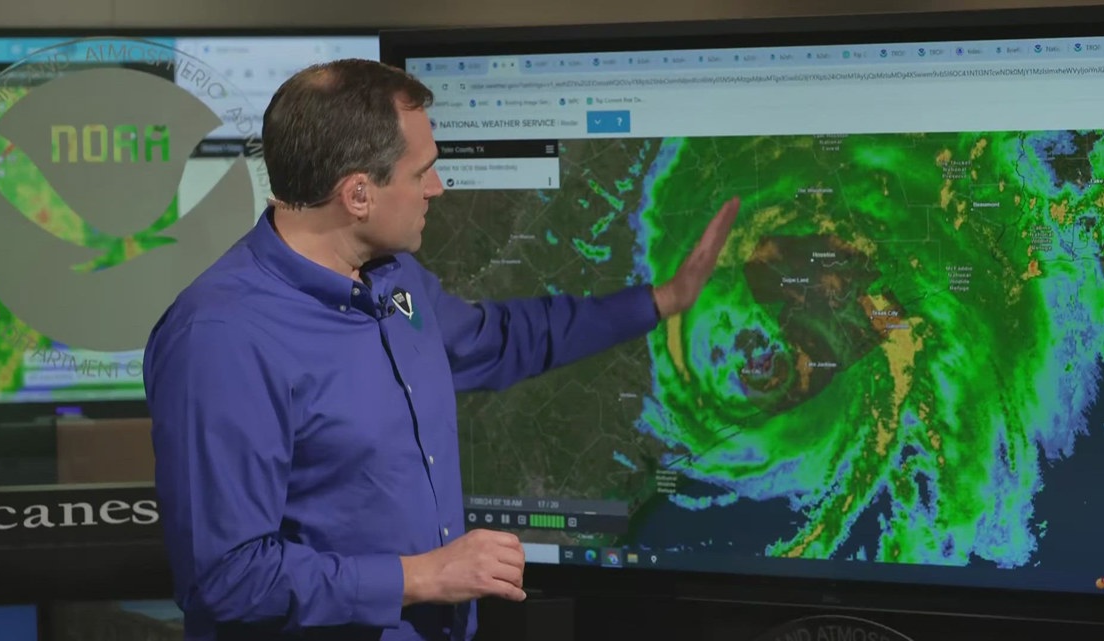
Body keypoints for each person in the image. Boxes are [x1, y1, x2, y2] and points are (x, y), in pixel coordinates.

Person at [144, 58, 739, 641]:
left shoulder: (393, 277)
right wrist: (423, 576)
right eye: (420, 172)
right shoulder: (222, 339)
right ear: (358, 195)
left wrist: (661, 300)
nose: (437, 187)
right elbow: (226, 578)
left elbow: (500, 341)